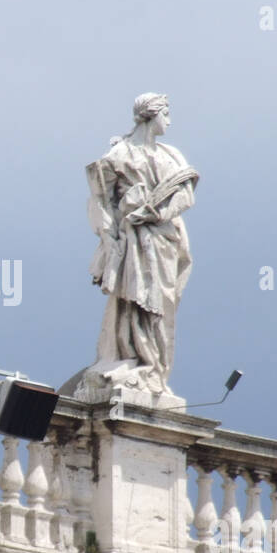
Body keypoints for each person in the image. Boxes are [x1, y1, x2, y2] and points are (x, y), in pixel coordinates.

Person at [78, 93, 198, 396]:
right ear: (152, 113)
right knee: (134, 302)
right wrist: (110, 236)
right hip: (133, 239)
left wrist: (155, 211)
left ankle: (154, 369)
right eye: (166, 114)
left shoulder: (172, 156)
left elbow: (186, 194)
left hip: (165, 239)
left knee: (162, 304)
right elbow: (101, 200)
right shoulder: (120, 154)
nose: (169, 121)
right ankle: (136, 360)